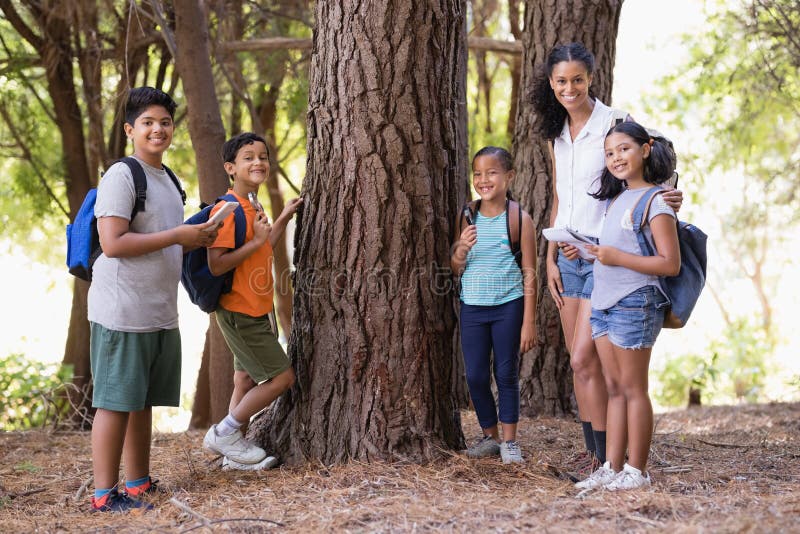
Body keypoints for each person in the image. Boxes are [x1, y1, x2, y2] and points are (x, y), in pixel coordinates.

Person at [531, 42, 682, 477]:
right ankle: (597, 456)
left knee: (584, 358)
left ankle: (609, 459)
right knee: (581, 366)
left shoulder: (615, 121)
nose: (570, 88)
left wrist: (670, 197)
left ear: (591, 78)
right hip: (567, 254)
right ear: (552, 84)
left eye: (578, 79)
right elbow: (560, 198)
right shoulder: (556, 133)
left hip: (607, 258)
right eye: (561, 81)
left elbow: (651, 164)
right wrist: (549, 258)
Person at [89, 87, 219, 512]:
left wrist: (199, 235)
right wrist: (180, 235)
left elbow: (167, 242)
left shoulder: (168, 179)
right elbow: (112, 242)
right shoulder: (122, 176)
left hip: (158, 310)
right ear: (130, 130)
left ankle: (139, 483)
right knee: (115, 402)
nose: (157, 129)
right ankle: (105, 495)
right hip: (121, 309)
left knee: (142, 399)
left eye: (164, 122)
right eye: (147, 122)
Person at [574, 121, 680, 490]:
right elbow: (615, 254)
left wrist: (614, 256)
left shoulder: (657, 201)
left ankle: (637, 471)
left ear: (645, 149)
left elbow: (669, 263)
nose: (616, 157)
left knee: (634, 389)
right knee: (615, 387)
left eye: (624, 149)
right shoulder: (616, 199)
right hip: (603, 303)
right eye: (609, 153)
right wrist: (590, 253)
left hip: (636, 302)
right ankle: (611, 466)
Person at [202, 132, 302, 470]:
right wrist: (257, 239)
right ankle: (225, 433)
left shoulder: (254, 206)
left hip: (259, 308)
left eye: (262, 156)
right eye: (248, 157)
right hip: (240, 311)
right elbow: (216, 264)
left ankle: (235, 453)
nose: (258, 162)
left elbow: (262, 247)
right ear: (231, 167)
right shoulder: (226, 210)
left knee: (244, 380)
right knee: (282, 379)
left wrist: (284, 217)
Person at [451, 146, 538, 464]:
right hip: (473, 306)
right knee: (474, 375)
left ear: (509, 176)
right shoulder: (467, 214)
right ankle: (491, 436)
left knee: (506, 373)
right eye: (477, 173)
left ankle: (511, 442)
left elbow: (530, 272)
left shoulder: (519, 218)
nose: (483, 179)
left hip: (508, 306)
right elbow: (455, 266)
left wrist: (529, 320)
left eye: (491, 172)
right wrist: (460, 249)